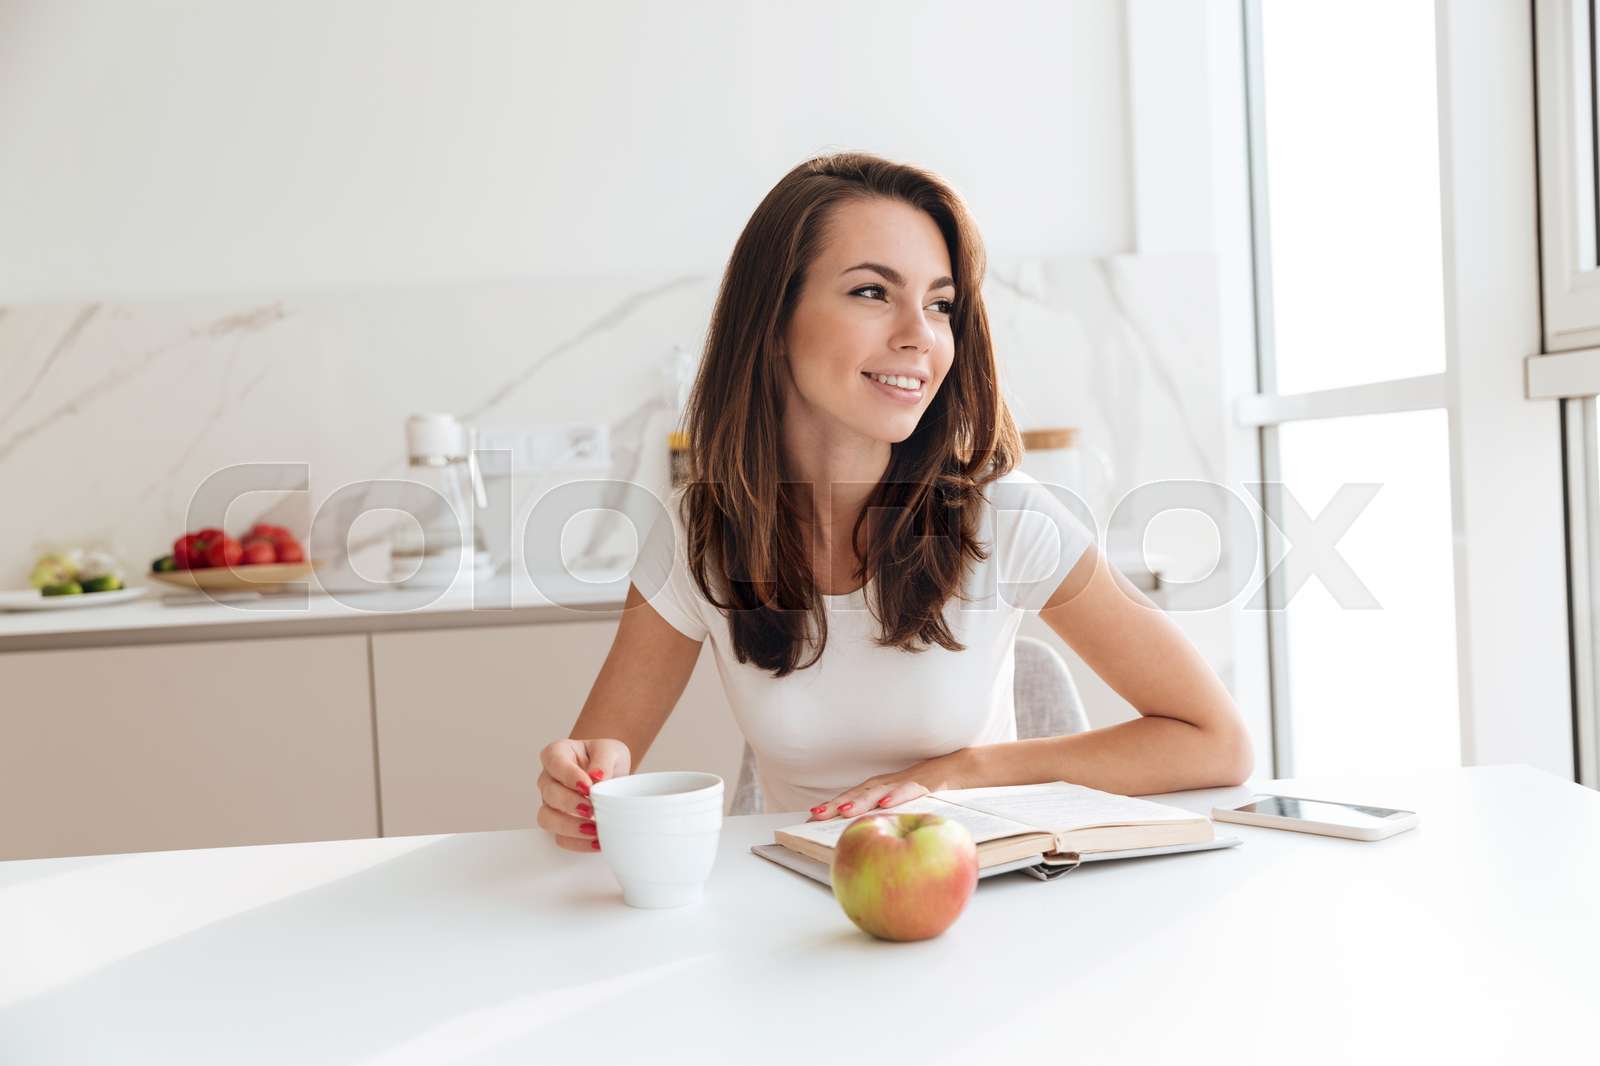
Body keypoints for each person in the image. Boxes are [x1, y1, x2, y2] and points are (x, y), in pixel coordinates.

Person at [537, 152, 1251, 854]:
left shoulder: (1006, 517)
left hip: (983, 895)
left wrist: (964, 772)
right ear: (773, 320)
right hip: (793, 902)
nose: (920, 336)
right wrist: (580, 791)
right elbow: (598, 770)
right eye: (873, 292)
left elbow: (1215, 741)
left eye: (940, 305)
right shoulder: (699, 533)